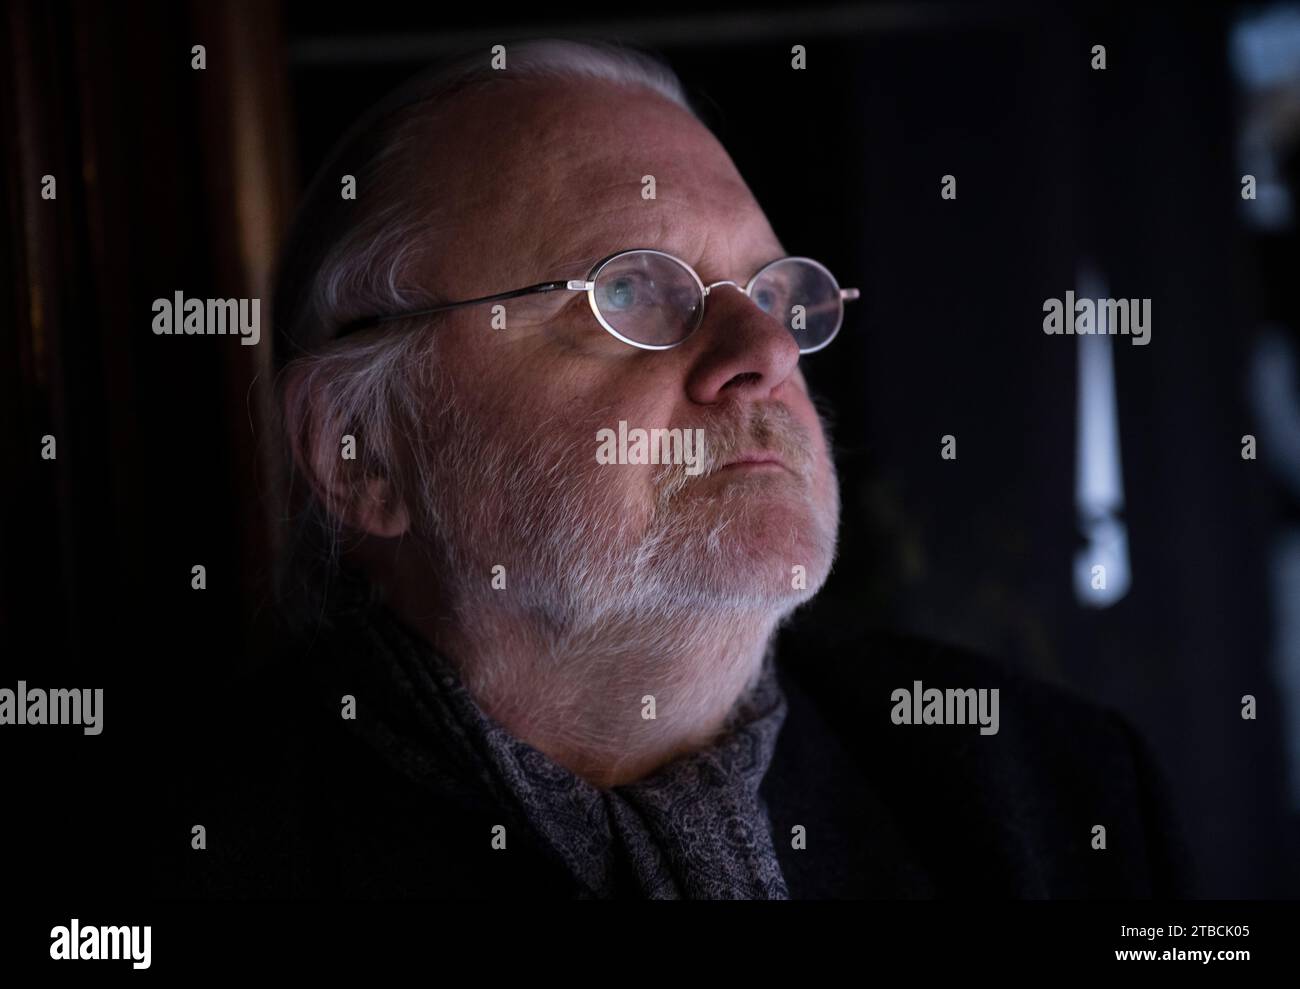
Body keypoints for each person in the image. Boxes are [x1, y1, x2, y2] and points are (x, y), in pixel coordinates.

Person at [157, 38, 1191, 899]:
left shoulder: (1055, 785)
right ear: (360, 451)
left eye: (773, 292)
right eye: (635, 289)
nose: (768, 350)